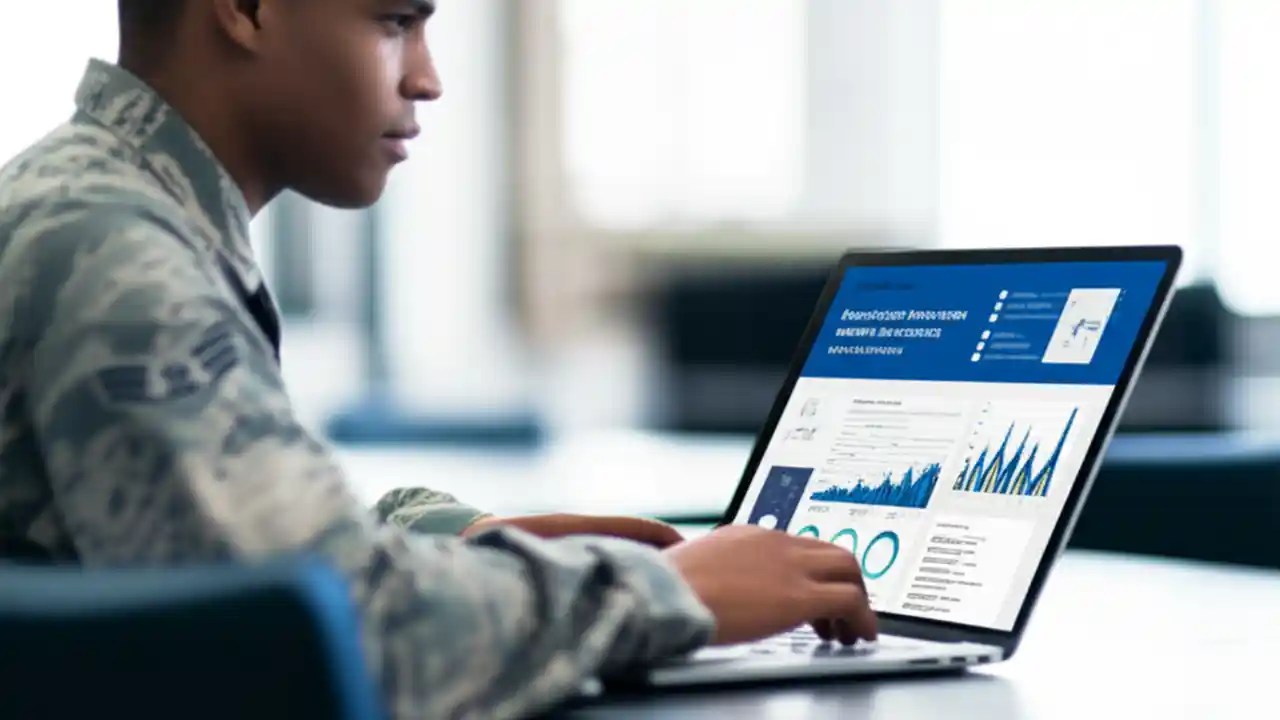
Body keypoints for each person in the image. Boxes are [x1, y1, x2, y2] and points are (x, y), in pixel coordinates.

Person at [0, 1, 877, 717]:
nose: (428, 77)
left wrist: (464, 545)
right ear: (247, 8)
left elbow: (205, 569)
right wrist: (663, 591)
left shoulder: (93, 205)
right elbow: (341, 635)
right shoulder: (118, 258)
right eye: (394, 22)